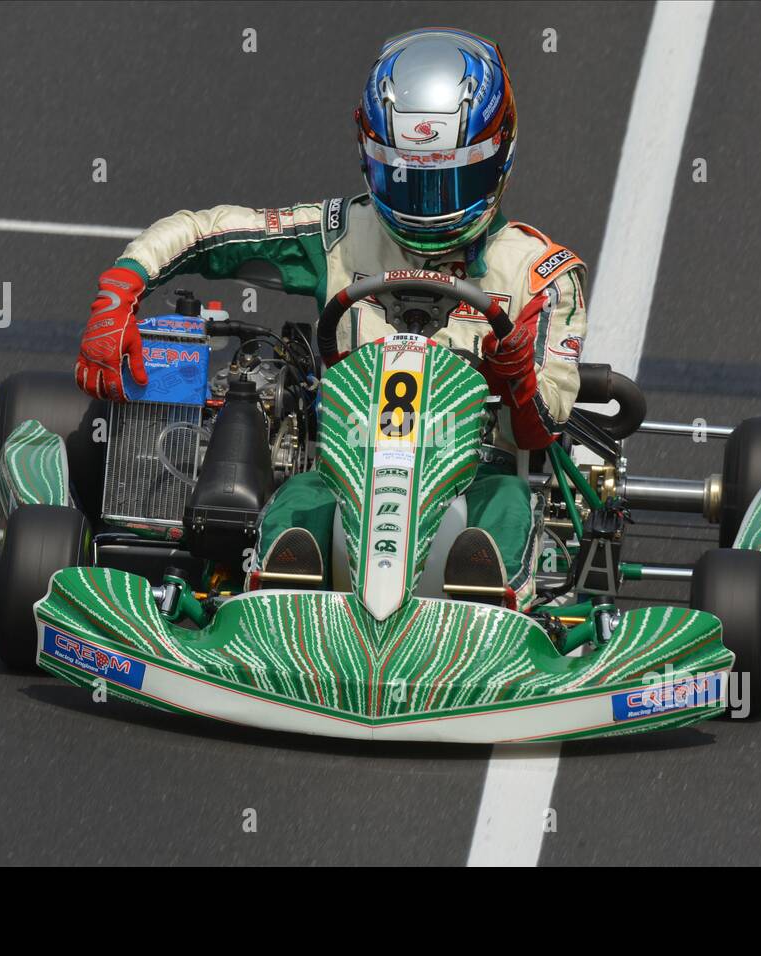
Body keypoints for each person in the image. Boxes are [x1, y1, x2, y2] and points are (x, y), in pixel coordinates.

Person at [74, 27, 587, 607]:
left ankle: (490, 614)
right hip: (344, 463)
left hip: (476, 469)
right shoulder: (341, 234)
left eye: (449, 180)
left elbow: (537, 431)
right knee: (299, 500)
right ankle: (281, 604)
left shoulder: (541, 273)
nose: (429, 205)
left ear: (498, 157)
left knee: (506, 508)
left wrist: (514, 379)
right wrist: (122, 288)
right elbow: (205, 231)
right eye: (411, 180)